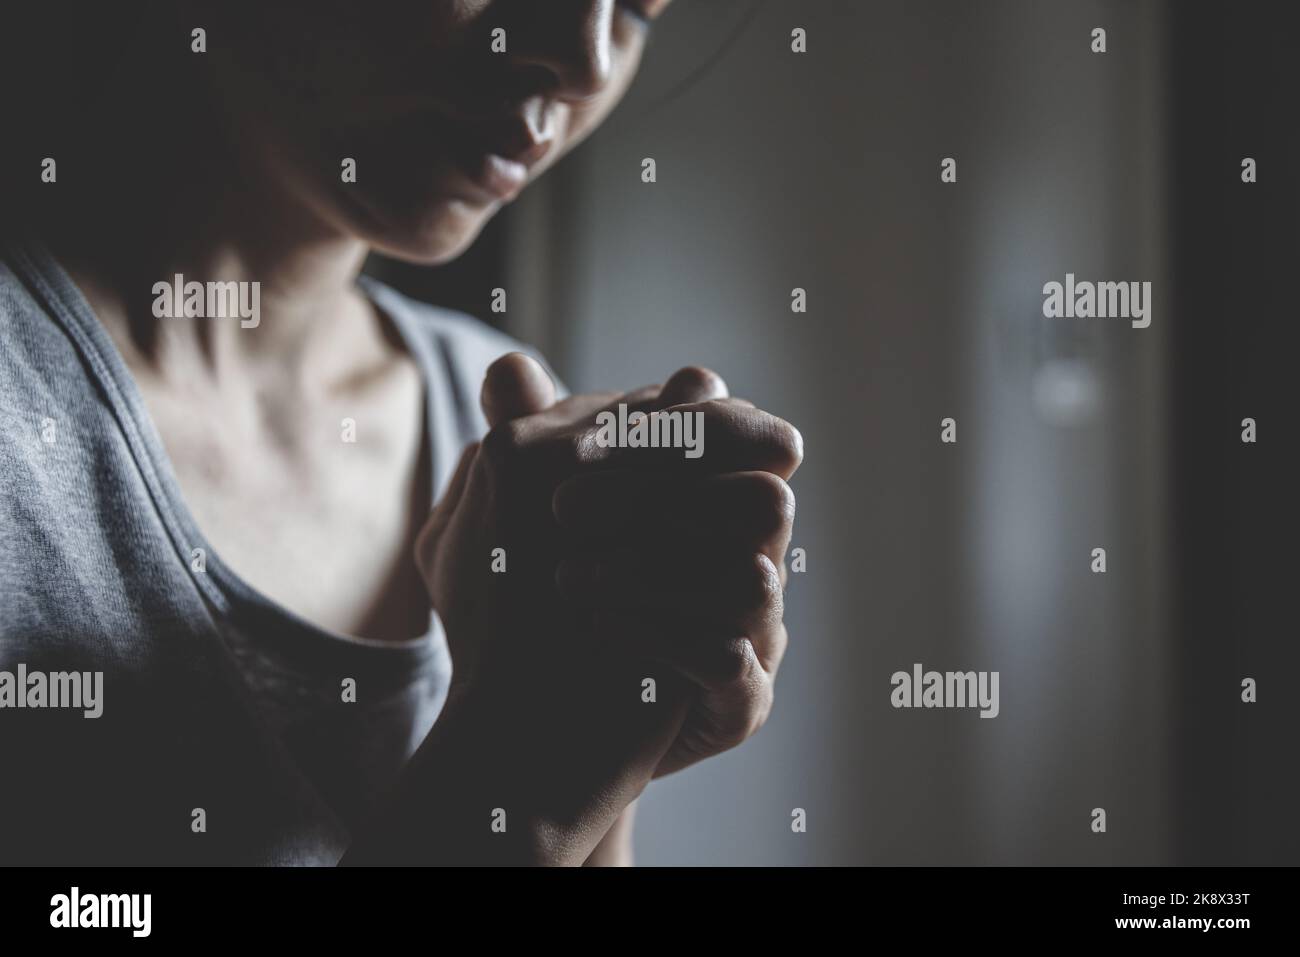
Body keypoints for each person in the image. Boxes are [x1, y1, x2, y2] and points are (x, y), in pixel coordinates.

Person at [0, 0, 801, 865]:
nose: (587, 61)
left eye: (641, 9)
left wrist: (618, 744)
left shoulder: (504, 430)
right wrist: (515, 784)